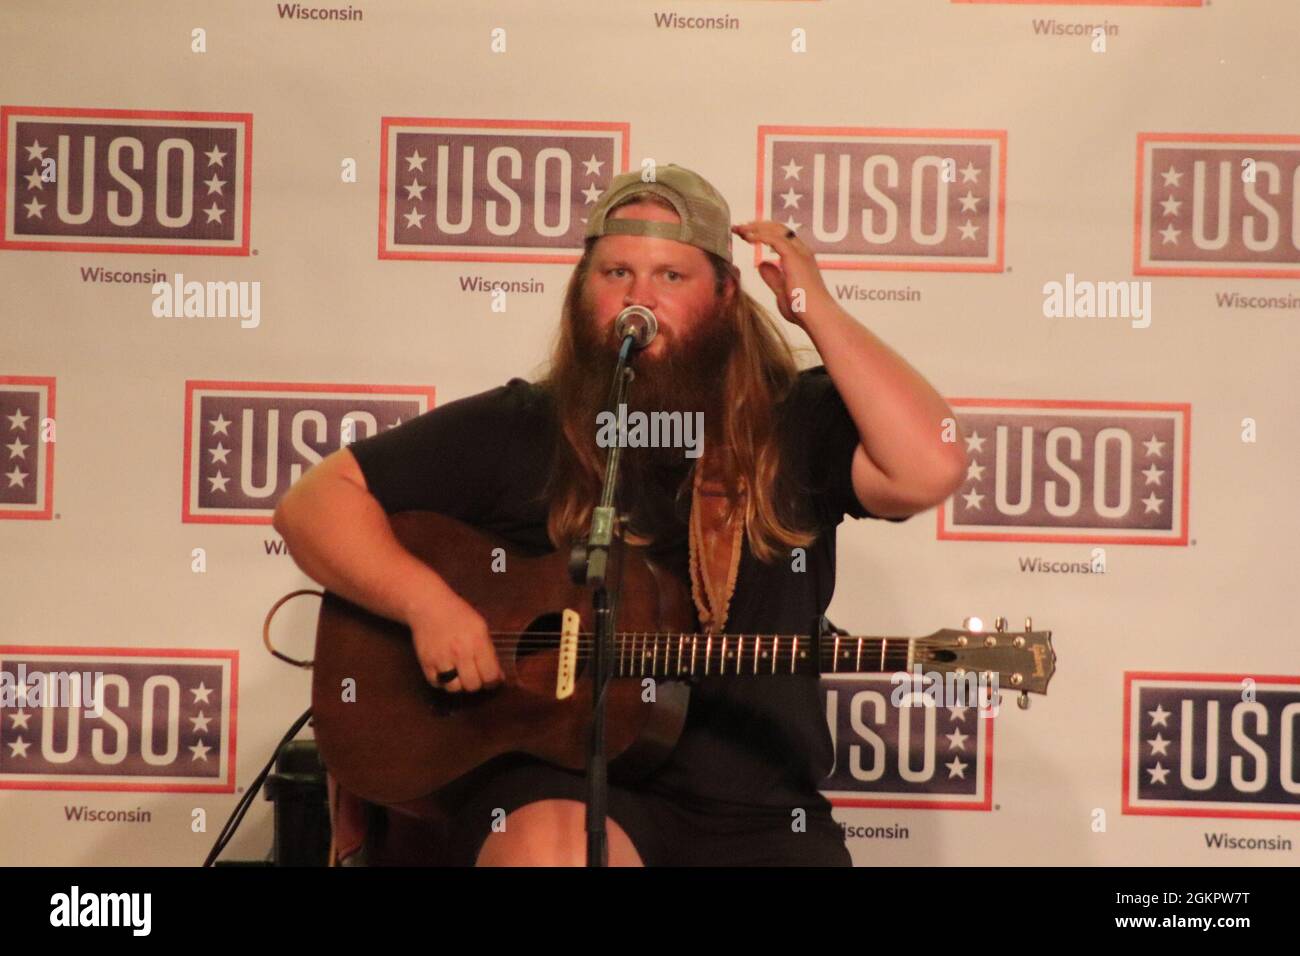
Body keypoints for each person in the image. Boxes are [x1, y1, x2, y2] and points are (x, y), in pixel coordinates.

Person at [273, 164, 966, 866]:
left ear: (726, 295)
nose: (640, 298)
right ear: (583, 290)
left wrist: (814, 307)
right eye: (615, 274)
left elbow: (929, 467)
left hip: (759, 809)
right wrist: (429, 606)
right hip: (560, 786)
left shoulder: (795, 423)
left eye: (671, 276)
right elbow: (314, 504)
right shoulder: (526, 425)